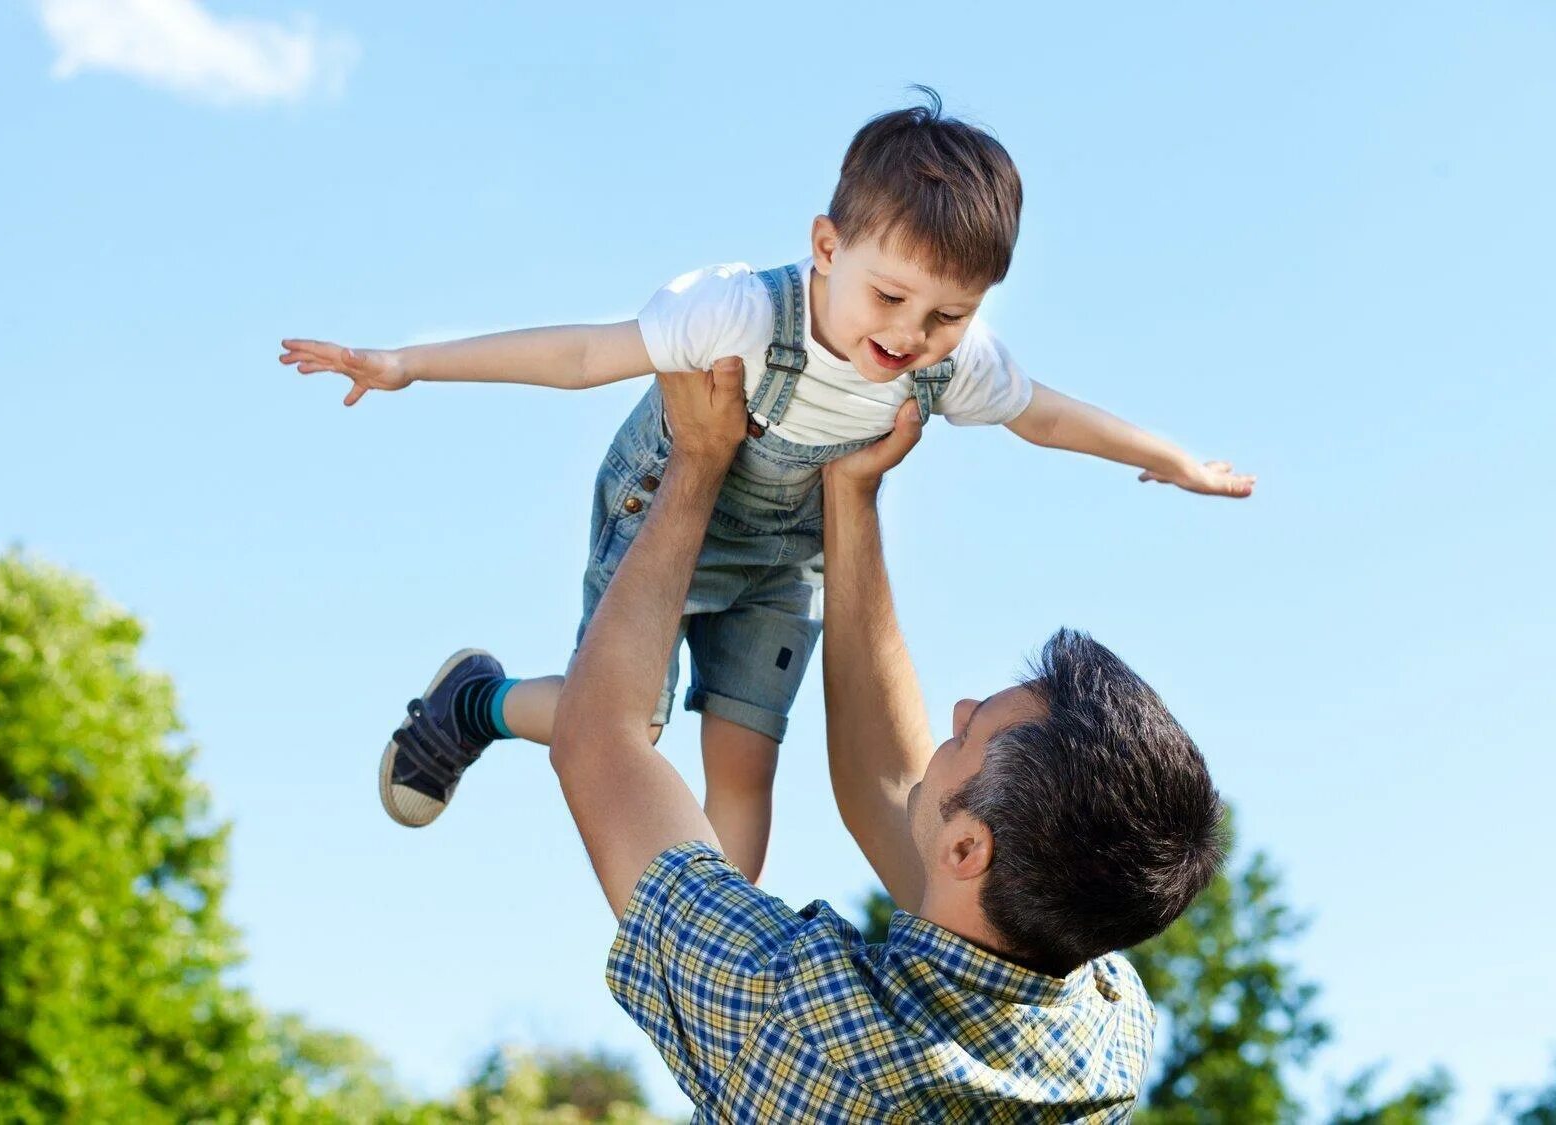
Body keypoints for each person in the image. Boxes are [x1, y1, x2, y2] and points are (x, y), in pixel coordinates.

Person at [279, 89, 1252, 882]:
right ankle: (475, 704)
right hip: (668, 504)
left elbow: (1041, 413)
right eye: (890, 297)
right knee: (625, 721)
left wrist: (1167, 457)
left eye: (947, 314)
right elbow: (581, 354)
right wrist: (404, 362)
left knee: (746, 758)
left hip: (788, 554)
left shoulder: (950, 363)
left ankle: (724, 972)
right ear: (826, 248)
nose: (911, 334)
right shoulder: (739, 311)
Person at [548, 363, 1225, 1121]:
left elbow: (597, 740)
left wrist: (696, 464)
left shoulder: (807, 1030)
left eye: (972, 731)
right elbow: (894, 790)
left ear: (970, 849)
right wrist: (852, 496)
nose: (960, 707)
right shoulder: (1100, 1041)